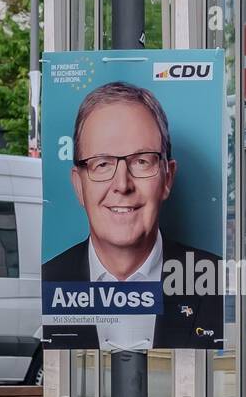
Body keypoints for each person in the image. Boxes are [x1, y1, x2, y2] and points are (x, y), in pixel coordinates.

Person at [42, 81, 223, 350]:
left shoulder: (218, 284)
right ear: (79, 186)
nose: (122, 184)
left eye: (141, 161)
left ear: (167, 178)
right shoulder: (44, 284)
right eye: (102, 164)